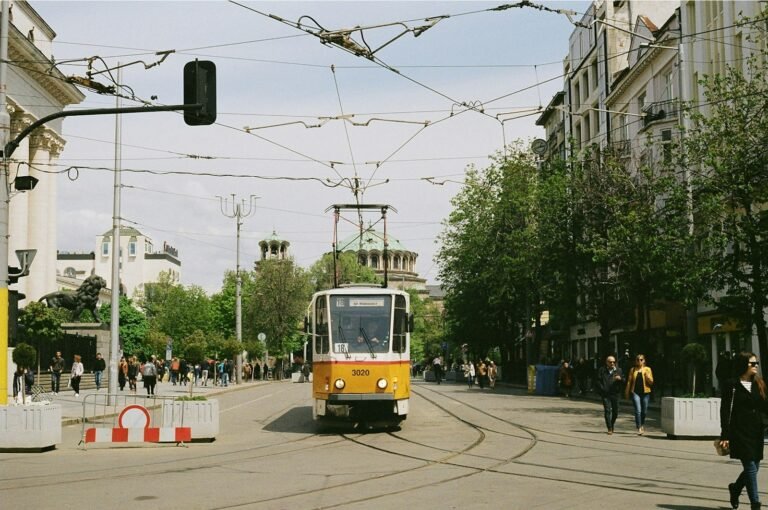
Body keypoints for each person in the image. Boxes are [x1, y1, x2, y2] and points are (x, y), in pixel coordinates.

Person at [719, 352, 768, 510]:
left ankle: (736, 488)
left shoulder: (759, 383)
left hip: (756, 431)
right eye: (752, 364)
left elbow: (764, 407)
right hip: (739, 431)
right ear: (742, 365)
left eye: (756, 364)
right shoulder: (731, 385)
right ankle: (755, 503)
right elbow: (725, 411)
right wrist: (725, 434)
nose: (755, 367)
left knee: (755, 466)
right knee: (750, 467)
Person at [625, 354, 654, 435]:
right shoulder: (633, 369)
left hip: (646, 393)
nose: (639, 361)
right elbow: (629, 381)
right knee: (638, 410)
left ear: (644, 360)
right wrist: (627, 391)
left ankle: (642, 424)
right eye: (637, 359)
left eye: (641, 359)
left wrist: (647, 377)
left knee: (644, 411)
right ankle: (639, 427)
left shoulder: (648, 369)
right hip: (635, 392)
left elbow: (651, 382)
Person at [596, 355, 624, 434]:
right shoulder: (602, 370)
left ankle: (611, 424)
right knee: (607, 410)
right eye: (610, 362)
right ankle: (609, 428)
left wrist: (620, 379)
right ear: (606, 362)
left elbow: (624, 380)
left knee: (615, 412)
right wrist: (602, 389)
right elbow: (598, 381)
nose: (612, 363)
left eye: (614, 362)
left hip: (615, 393)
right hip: (605, 394)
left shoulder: (619, 370)